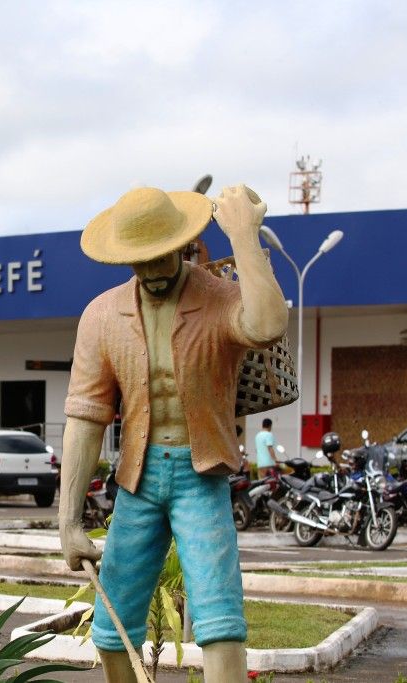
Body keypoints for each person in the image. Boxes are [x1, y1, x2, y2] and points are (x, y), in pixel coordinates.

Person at [59, 185, 288, 683]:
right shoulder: (101, 316)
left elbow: (269, 323)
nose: (154, 271)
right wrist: (69, 520)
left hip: (199, 474)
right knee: (110, 625)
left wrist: (245, 236)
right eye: (140, 261)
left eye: (162, 256)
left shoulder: (218, 298)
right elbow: (85, 415)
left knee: (220, 620)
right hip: (137, 482)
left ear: (182, 245)